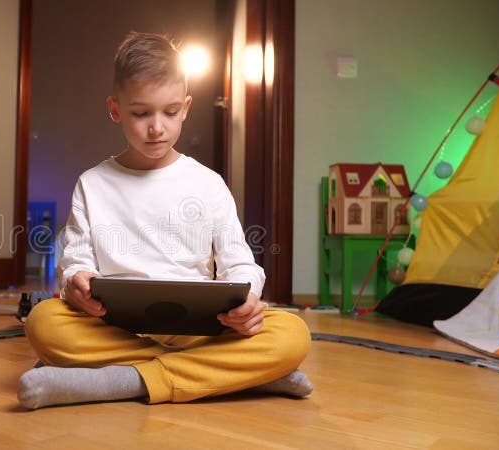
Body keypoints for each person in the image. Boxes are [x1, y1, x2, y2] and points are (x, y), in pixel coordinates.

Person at [18, 32, 312, 410]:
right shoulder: (92, 184)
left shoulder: (208, 184)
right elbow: (76, 260)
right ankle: (234, 377)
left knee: (292, 334)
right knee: (44, 322)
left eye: (170, 112)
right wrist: (76, 280)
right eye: (141, 113)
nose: (157, 127)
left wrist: (249, 296)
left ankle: (124, 379)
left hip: (197, 332)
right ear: (115, 109)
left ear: (186, 107)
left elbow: (240, 264)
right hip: (114, 327)